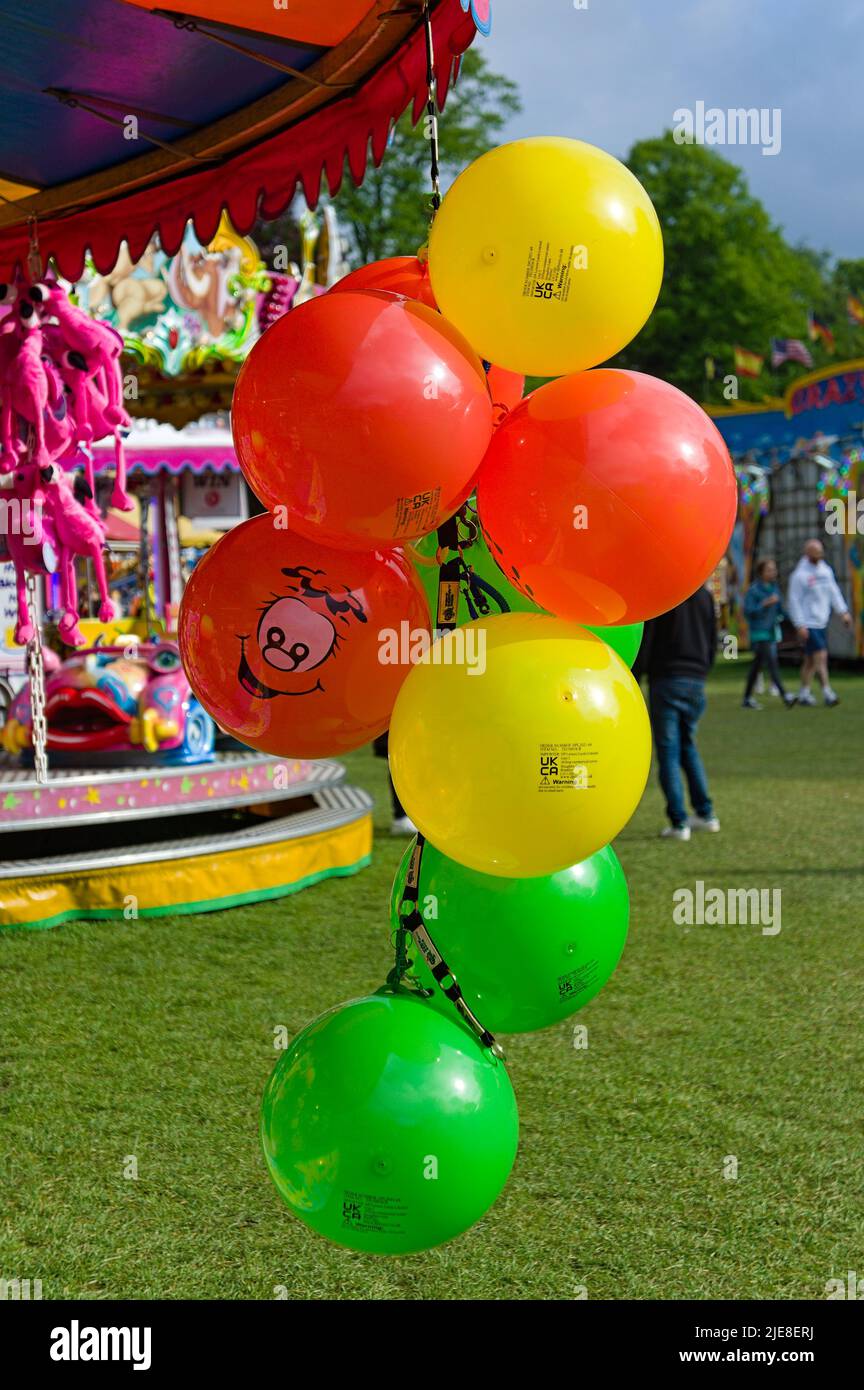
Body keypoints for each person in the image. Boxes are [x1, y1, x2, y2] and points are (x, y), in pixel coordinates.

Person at [635, 584, 719, 842]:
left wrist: (635, 676)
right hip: (696, 679)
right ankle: (705, 814)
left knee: (669, 753)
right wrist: (704, 669)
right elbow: (713, 638)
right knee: (687, 746)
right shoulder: (705, 596)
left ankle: (679, 821)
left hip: (668, 678)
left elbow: (648, 638)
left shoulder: (663, 592)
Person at [786, 539, 852, 707]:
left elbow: (833, 592)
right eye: (816, 553)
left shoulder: (825, 570)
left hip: (821, 621)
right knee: (820, 657)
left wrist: (843, 612)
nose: (819, 556)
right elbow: (794, 601)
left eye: (821, 552)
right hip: (809, 623)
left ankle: (804, 693)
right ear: (807, 553)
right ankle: (827, 693)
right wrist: (800, 624)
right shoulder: (800, 575)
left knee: (809, 661)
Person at [741, 558, 796, 709]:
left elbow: (780, 610)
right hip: (760, 633)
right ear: (761, 573)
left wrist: (794, 623)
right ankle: (785, 695)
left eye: (774, 569)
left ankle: (746, 699)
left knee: (756, 666)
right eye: (769, 570)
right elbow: (748, 611)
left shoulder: (774, 588)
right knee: (772, 663)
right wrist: (764, 604)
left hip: (771, 631)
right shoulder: (754, 590)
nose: (773, 573)